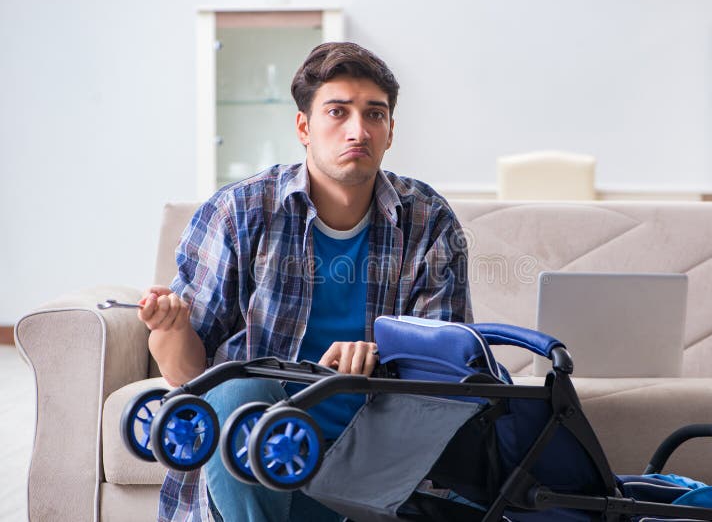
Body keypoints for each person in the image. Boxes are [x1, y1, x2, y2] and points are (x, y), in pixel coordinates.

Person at [139, 41, 472, 522]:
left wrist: (378, 355)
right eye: (337, 112)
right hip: (259, 459)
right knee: (233, 395)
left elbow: (444, 371)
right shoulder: (240, 212)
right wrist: (168, 327)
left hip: (377, 465)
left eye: (374, 115)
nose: (358, 130)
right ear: (304, 127)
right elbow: (190, 379)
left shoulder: (429, 220)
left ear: (390, 131)